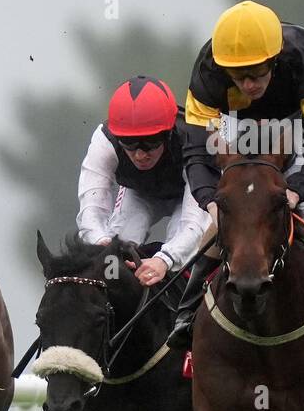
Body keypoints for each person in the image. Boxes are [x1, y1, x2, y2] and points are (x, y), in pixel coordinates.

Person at [167, 0, 304, 347]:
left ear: (274, 60)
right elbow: (197, 152)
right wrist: (210, 200)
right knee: (232, 206)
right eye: (238, 77)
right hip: (236, 127)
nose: (248, 85)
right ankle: (186, 313)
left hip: (295, 125)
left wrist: (297, 191)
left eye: (257, 74)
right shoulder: (209, 69)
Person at [77, 75, 210, 286]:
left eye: (150, 142)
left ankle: (189, 309)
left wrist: (163, 260)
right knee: (118, 244)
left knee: (180, 247)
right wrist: (101, 243)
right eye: (129, 143)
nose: (140, 155)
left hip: (193, 192)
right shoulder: (105, 140)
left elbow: (193, 224)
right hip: (140, 193)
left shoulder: (192, 138)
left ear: (168, 134)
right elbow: (91, 210)